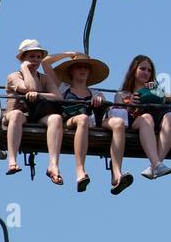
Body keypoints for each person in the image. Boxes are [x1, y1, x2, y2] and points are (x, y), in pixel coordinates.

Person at [50, 52, 128, 194]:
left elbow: (105, 111)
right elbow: (45, 63)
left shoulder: (95, 92)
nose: (82, 70)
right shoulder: (62, 88)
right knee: (83, 118)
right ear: (71, 70)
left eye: (86, 67)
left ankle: (117, 173)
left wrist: (100, 101)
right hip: (69, 121)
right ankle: (80, 170)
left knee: (118, 123)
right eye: (78, 66)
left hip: (93, 123)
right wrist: (67, 55)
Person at [3, 39, 68, 176]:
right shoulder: (14, 76)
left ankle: (53, 165)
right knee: (16, 115)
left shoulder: (44, 78)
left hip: (38, 114)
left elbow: (58, 97)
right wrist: (25, 68)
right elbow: (29, 88)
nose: (36, 60)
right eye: (32, 56)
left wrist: (39, 95)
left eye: (39, 57)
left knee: (56, 118)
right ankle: (12, 160)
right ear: (23, 58)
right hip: (19, 112)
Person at [111, 54, 171, 181]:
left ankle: (155, 164)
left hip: (159, 121)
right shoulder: (122, 94)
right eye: (142, 69)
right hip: (137, 122)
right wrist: (129, 104)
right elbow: (118, 116)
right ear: (134, 70)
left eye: (149, 70)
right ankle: (156, 164)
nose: (146, 72)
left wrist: (157, 90)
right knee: (146, 117)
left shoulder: (155, 89)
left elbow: (170, 98)